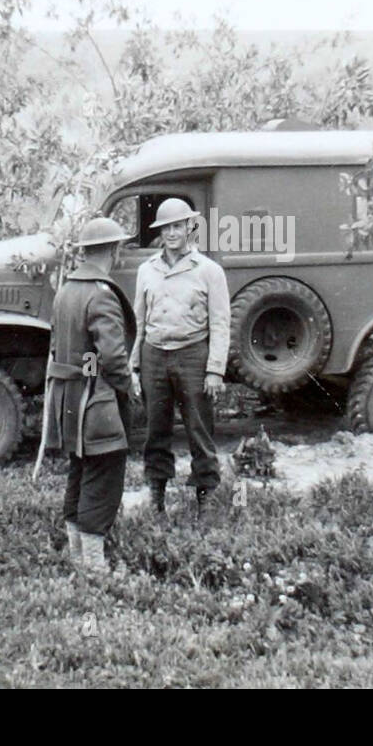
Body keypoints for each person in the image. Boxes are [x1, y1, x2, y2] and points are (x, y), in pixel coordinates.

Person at [44, 216, 135, 574]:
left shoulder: (67, 289)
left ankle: (76, 555)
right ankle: (94, 566)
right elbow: (112, 357)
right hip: (96, 402)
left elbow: (59, 345)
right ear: (113, 250)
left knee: (80, 472)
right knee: (105, 475)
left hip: (68, 400)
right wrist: (127, 387)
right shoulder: (101, 294)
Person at [130, 198, 230, 517]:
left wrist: (214, 370)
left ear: (189, 227)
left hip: (193, 355)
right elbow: (139, 320)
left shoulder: (209, 271)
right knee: (155, 429)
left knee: (199, 428)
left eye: (178, 226)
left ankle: (207, 496)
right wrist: (135, 366)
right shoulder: (147, 270)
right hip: (154, 355)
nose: (172, 233)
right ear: (159, 232)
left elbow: (220, 322)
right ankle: (156, 495)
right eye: (166, 228)